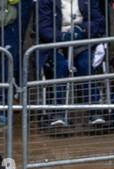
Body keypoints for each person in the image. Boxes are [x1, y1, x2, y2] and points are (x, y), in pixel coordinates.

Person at [36, 0, 108, 129]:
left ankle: (95, 112)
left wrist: (83, 29)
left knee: (85, 64)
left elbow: (99, 21)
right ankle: (57, 113)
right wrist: (62, 36)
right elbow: (43, 27)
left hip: (83, 42)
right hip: (55, 45)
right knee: (61, 66)